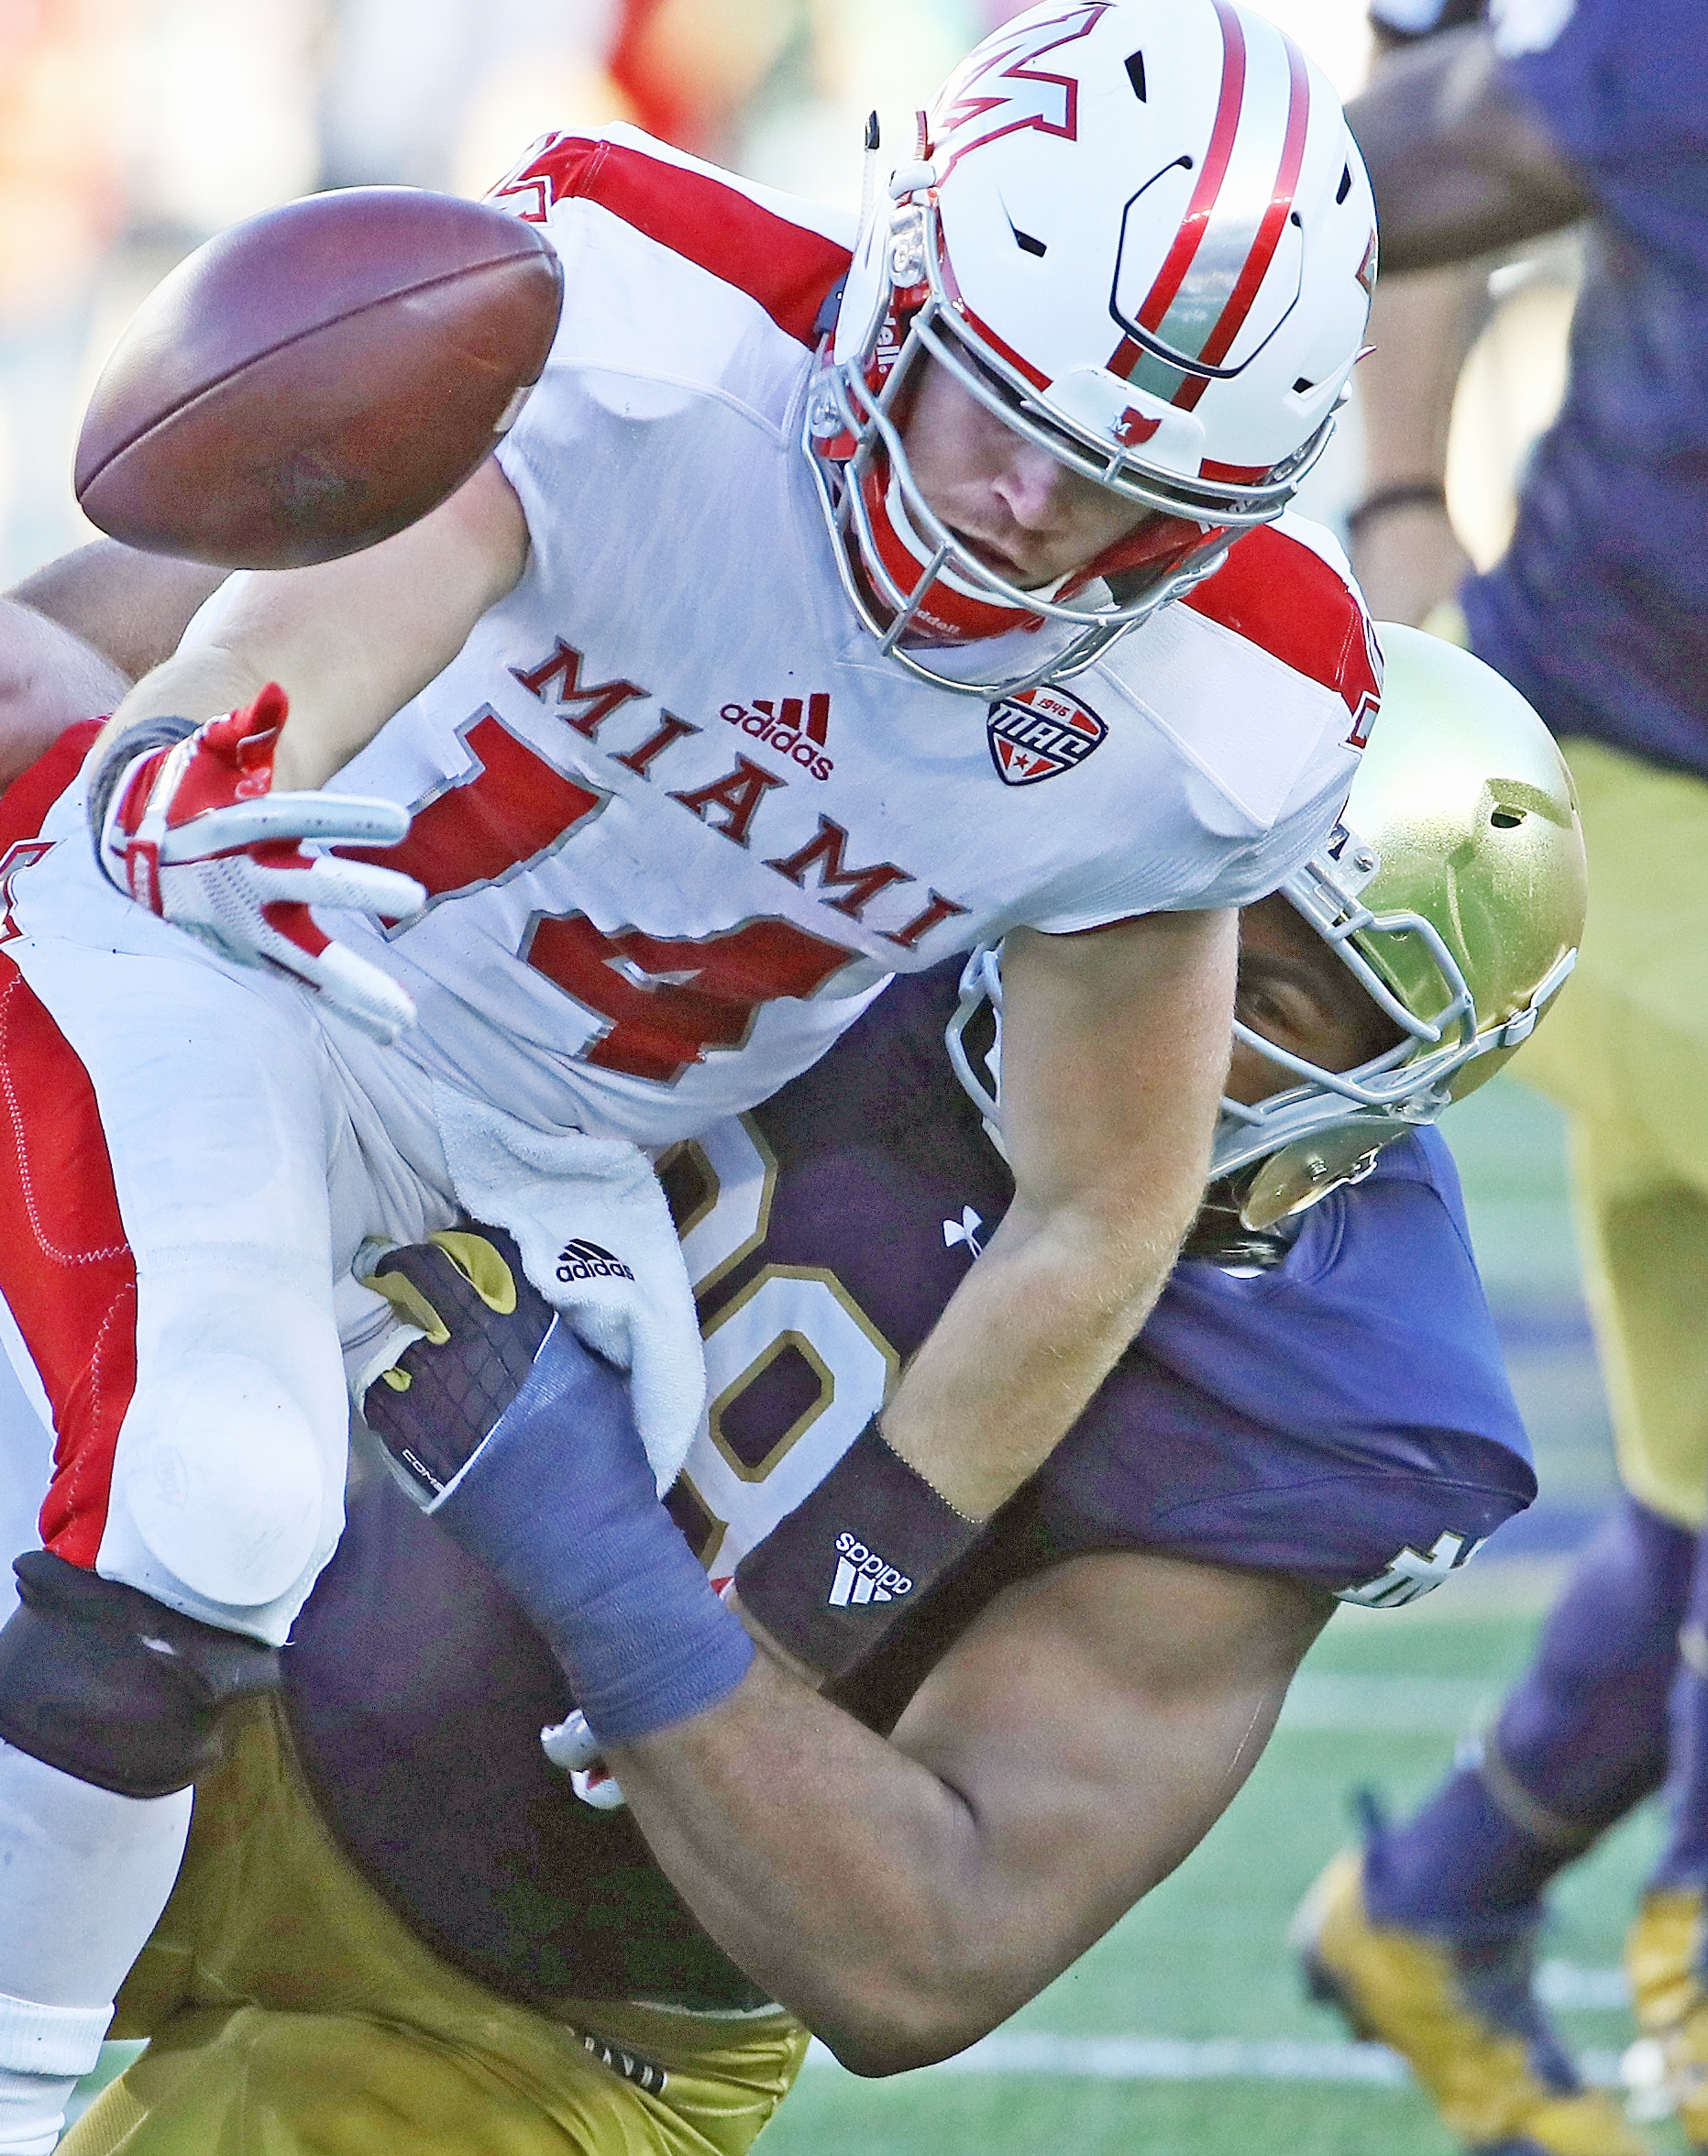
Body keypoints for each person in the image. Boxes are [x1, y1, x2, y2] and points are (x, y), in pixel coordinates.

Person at [0, 6, 1391, 2150]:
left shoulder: (1217, 713)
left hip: (541, 1168)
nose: (1027, 509)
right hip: (257, 952)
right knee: (209, 1504)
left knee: (398, 1631)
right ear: (902, 280)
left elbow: (1101, 1196)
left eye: (1124, 493)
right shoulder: (639, 327)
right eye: (1001, 417)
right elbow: (312, 642)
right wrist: (215, 745)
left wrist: (817, 1595)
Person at [0, 621, 1571, 2156]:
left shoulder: (1308, 1392)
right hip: (205, 1647)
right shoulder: (886, 836)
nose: (1177, 1003)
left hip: (533, 2011)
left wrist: (600, 1562)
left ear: (1394, 1091)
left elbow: (926, 1953)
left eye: (1272, 1001)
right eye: (1173, 920)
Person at [1292, 3, 1708, 2152]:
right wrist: (1380, 515)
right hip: (1632, 791)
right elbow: (1318, 183)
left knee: (1690, 1506)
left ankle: (1432, 1906)